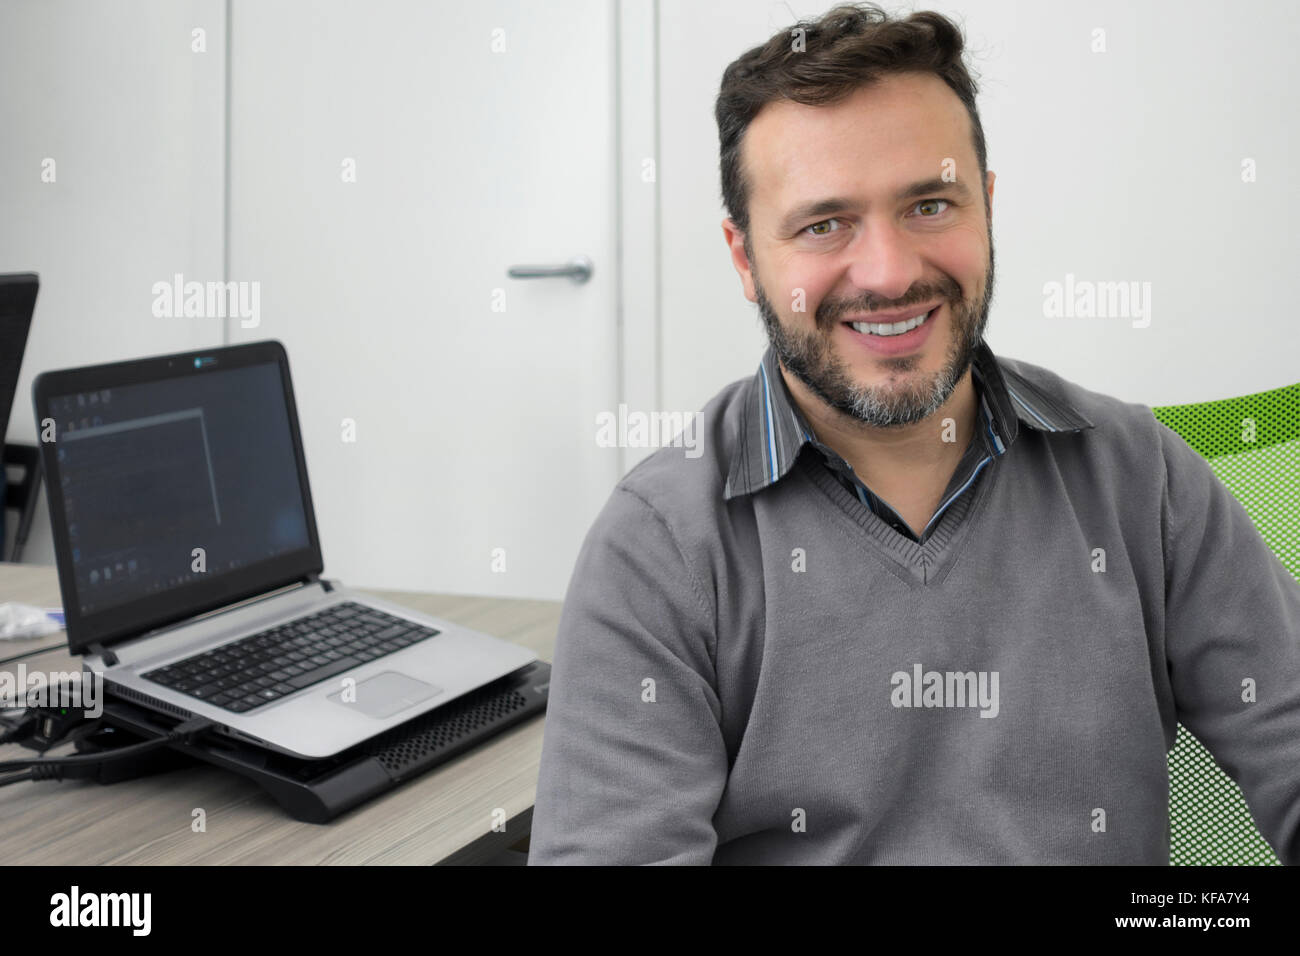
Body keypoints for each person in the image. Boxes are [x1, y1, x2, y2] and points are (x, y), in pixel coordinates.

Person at [528, 3, 1300, 864]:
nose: (891, 273)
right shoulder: (660, 548)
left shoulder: (1139, 478)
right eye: (825, 224)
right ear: (745, 258)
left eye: (930, 205)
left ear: (988, 207)